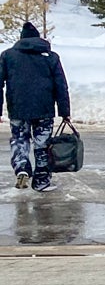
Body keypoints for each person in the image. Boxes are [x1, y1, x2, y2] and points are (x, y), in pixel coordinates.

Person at [1, 21, 72, 192]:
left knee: (19, 139)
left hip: (18, 108)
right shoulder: (51, 57)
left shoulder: (7, 56)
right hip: (44, 109)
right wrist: (64, 111)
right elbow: (61, 85)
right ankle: (41, 182)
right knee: (42, 145)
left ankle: (22, 167)